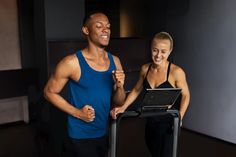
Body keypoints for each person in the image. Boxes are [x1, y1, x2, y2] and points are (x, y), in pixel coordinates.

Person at [44, 11, 126, 157]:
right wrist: (77, 113)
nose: (105, 30)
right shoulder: (71, 63)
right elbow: (48, 92)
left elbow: (119, 101)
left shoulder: (116, 61)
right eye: (99, 26)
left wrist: (120, 87)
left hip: (103, 132)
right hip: (80, 137)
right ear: (86, 30)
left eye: (108, 26)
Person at [110, 32, 190, 157]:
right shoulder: (145, 69)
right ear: (151, 49)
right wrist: (123, 107)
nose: (158, 55)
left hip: (169, 124)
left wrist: (180, 116)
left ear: (170, 51)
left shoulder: (176, 72)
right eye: (155, 50)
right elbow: (136, 90)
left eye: (163, 52)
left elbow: (186, 95)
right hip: (151, 122)